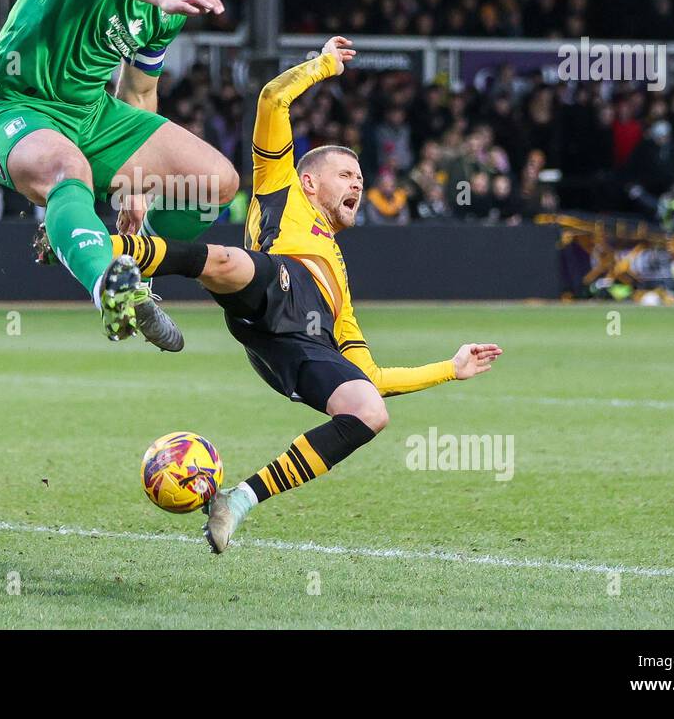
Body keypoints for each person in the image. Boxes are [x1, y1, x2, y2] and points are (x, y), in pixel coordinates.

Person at [83, 38, 500, 552]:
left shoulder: (340, 280)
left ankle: (237, 500)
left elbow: (372, 377)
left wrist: (448, 369)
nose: (358, 184)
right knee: (228, 260)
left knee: (369, 410)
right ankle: (98, 247)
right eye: (346, 174)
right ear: (308, 181)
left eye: (361, 177)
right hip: (275, 283)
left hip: (300, 343)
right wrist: (321, 65)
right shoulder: (278, 183)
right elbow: (272, 100)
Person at [0, 0, 261, 348]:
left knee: (216, 182)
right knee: (69, 169)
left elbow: (140, 90)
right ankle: (106, 285)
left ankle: (130, 264)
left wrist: (141, 186)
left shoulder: (174, 0)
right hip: (13, 104)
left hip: (93, 113)